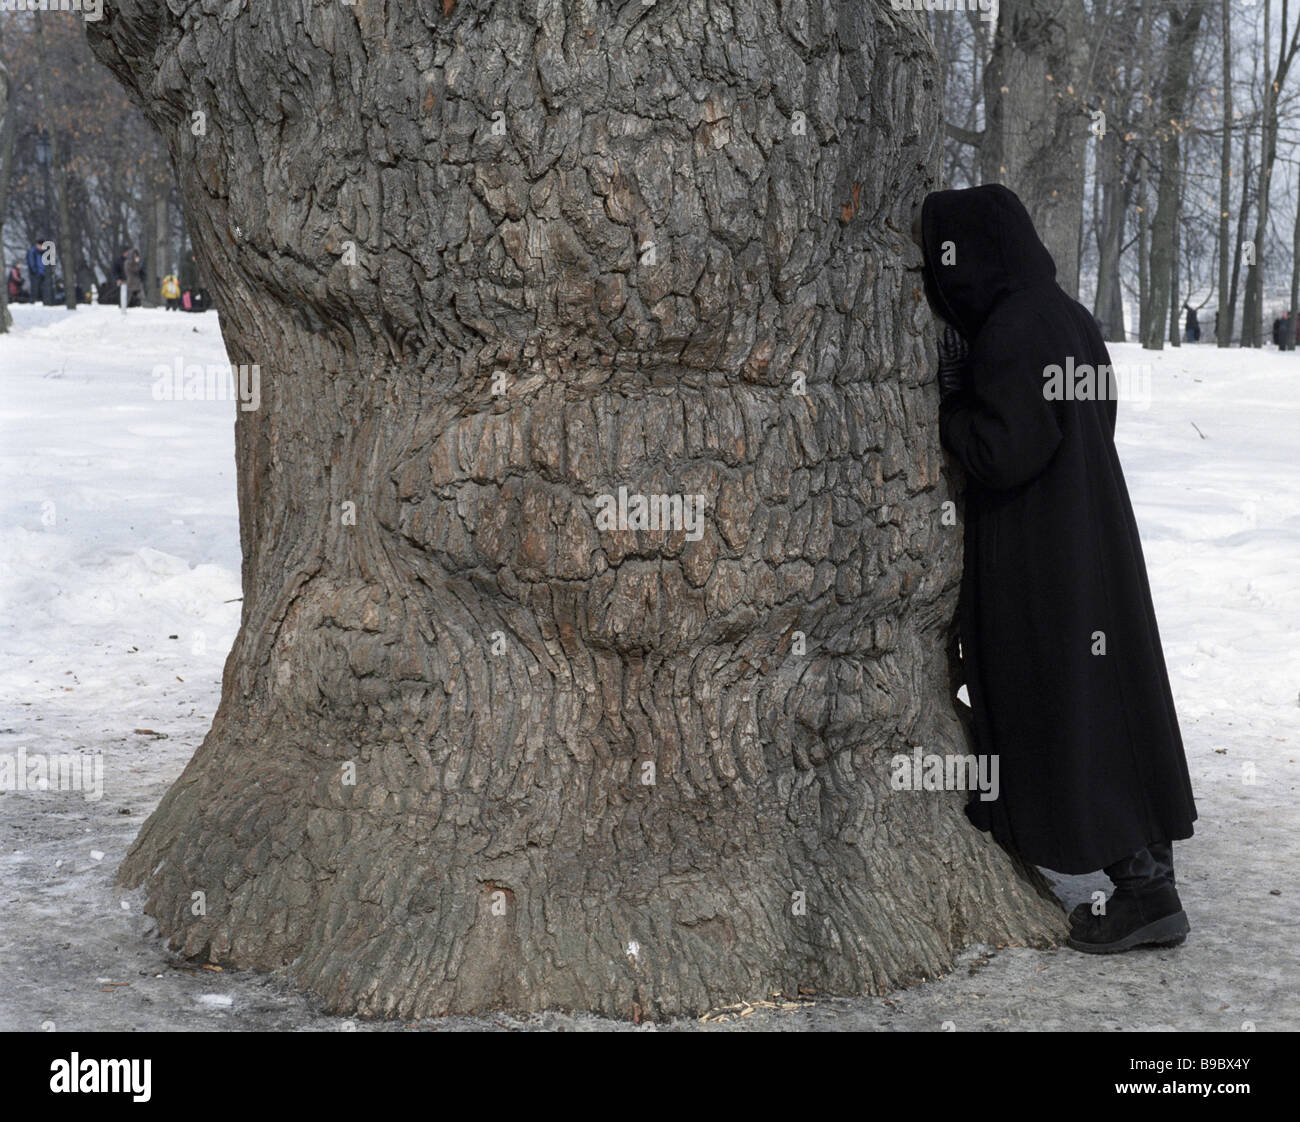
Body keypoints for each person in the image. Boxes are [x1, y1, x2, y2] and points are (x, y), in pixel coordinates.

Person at [912, 184, 1196, 954]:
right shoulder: (1067, 315)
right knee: (1115, 699)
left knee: (1069, 706)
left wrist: (951, 406)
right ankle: (1151, 875)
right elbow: (1087, 416)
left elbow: (1005, 450)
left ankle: (1141, 888)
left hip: (1043, 555)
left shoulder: (1011, 328)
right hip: (1095, 537)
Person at [26, 239, 50, 305]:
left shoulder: (43, 252)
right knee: (35, 288)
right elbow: (31, 262)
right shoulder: (32, 251)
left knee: (43, 288)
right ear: (38, 245)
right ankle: (33, 302)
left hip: (42, 272)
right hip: (35, 273)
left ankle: (44, 302)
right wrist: (34, 271)